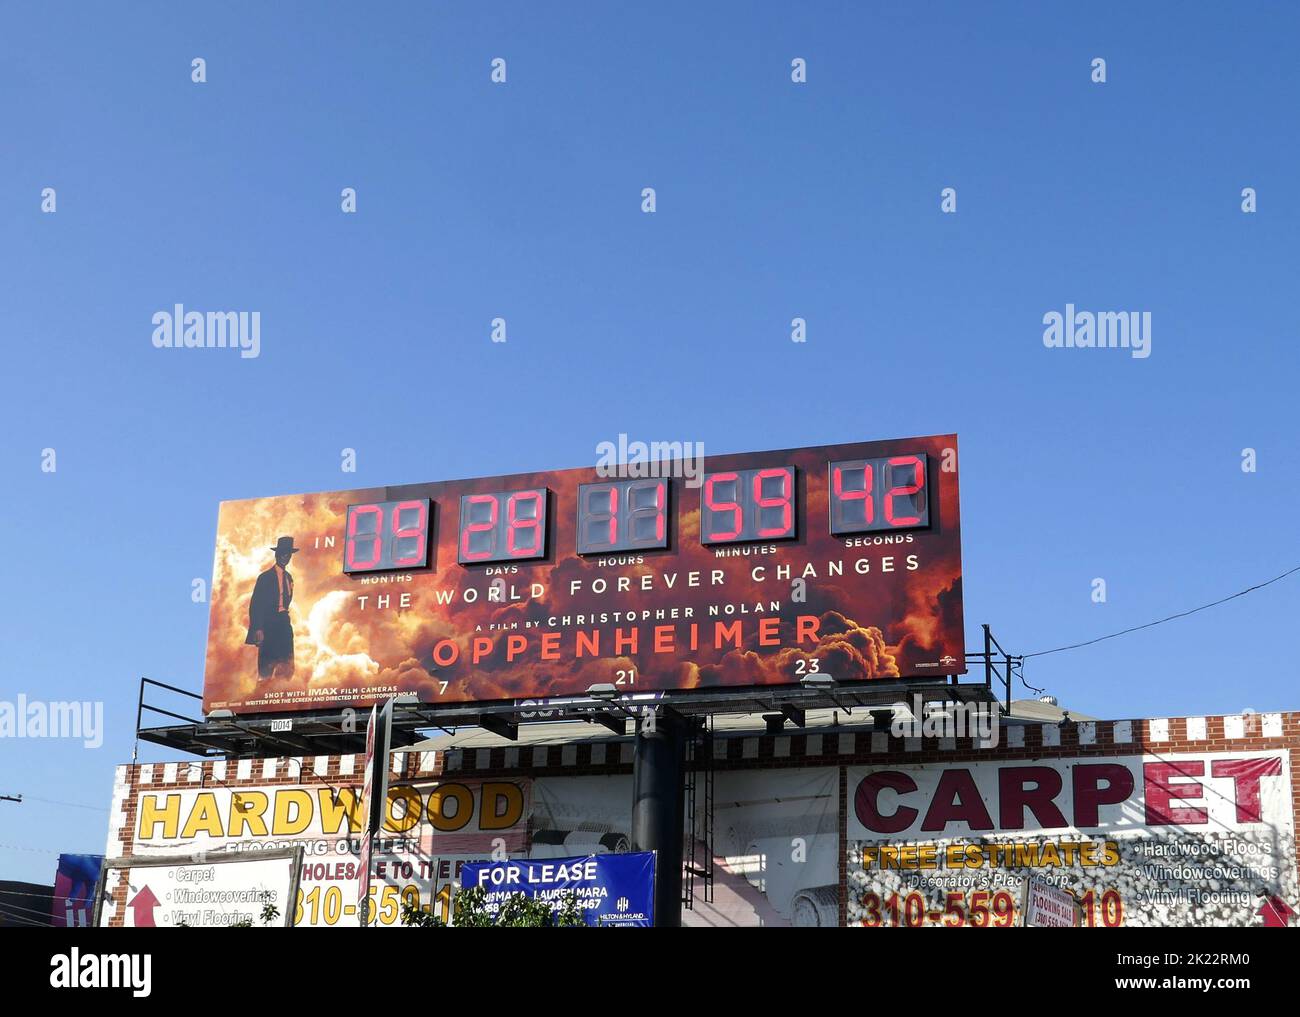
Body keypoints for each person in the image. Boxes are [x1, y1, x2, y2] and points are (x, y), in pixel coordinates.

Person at [245, 536, 298, 679]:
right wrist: (258, 628)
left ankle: (282, 691)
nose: (285, 557)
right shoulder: (265, 578)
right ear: (276, 554)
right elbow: (256, 604)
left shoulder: (289, 578)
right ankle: (262, 693)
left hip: (284, 624)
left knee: (287, 664)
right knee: (266, 666)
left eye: (288, 554)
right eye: (282, 553)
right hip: (269, 625)